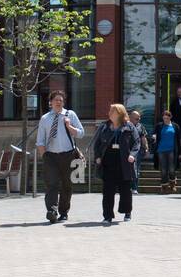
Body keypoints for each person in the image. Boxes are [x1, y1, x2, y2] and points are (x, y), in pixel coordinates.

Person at [36, 89, 84, 223]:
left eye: (61, 100)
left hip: (68, 155)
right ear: (50, 102)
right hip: (50, 156)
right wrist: (44, 155)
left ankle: (63, 212)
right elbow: (40, 140)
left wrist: (69, 126)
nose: (59, 102)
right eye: (56, 100)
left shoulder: (70, 115)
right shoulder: (45, 118)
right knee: (51, 184)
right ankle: (52, 211)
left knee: (66, 185)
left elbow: (81, 133)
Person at [92, 103, 136, 223]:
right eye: (110, 111)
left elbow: (136, 143)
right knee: (107, 191)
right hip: (108, 162)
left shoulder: (129, 127)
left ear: (120, 113)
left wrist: (132, 155)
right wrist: (97, 157)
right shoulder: (104, 127)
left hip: (124, 162)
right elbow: (97, 144)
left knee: (125, 190)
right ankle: (107, 216)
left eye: (113, 111)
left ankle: (127, 212)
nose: (110, 113)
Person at [153, 110, 180, 192]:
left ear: (170, 117)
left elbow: (179, 139)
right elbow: (154, 133)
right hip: (161, 150)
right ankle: (164, 186)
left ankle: (172, 183)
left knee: (172, 168)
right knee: (163, 169)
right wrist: (154, 136)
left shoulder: (175, 126)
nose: (165, 120)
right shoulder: (159, 126)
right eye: (164, 118)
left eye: (167, 118)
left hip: (172, 150)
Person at [129, 110, 145, 193]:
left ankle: (134, 188)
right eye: (136, 119)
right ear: (130, 118)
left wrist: (145, 147)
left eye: (139, 118)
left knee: (135, 170)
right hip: (127, 150)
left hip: (137, 151)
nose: (138, 120)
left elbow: (143, 137)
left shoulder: (140, 126)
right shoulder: (126, 125)